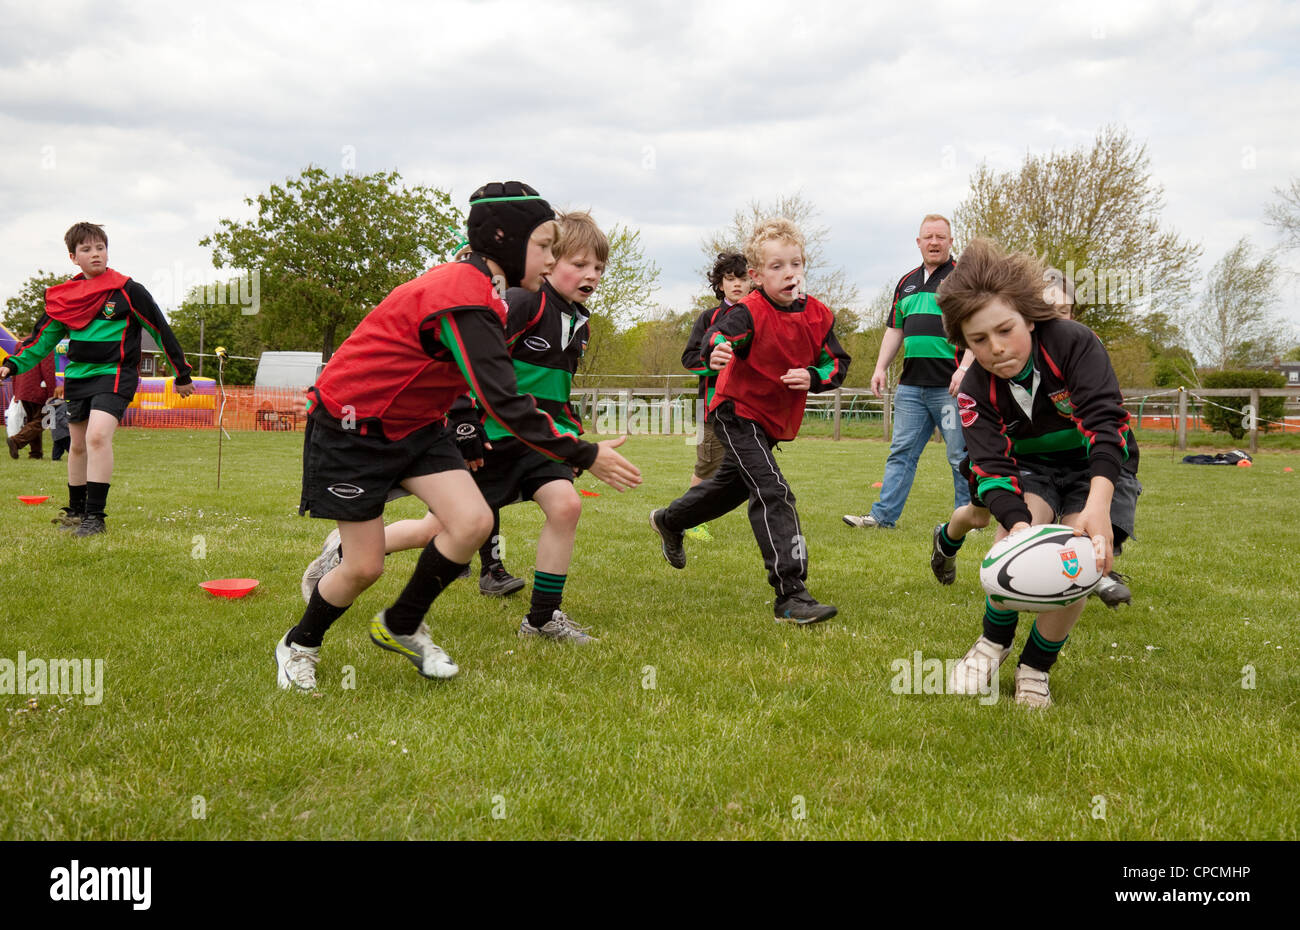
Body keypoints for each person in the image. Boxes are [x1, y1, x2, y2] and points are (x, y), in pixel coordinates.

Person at [279, 183, 641, 692]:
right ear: (506, 242)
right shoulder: (463, 294)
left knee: (472, 521)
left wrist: (471, 438)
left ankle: (401, 624)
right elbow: (505, 402)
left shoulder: (490, 295)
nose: (549, 259)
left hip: (420, 428)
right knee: (364, 568)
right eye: (543, 246)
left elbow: (472, 385)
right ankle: (299, 644)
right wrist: (584, 452)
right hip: (352, 428)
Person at [933, 240, 1140, 707]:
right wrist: (1021, 530)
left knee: (1075, 561)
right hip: (1033, 468)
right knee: (1010, 538)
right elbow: (992, 467)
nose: (996, 348)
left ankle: (1035, 669)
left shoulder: (1075, 342)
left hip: (1098, 467)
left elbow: (1106, 427)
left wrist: (1098, 506)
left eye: (1004, 329)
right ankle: (992, 642)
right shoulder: (973, 388)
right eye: (978, 340)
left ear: (1029, 317)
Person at [648, 218, 849, 623]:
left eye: (795, 264)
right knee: (773, 490)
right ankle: (791, 596)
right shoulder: (748, 311)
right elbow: (719, 337)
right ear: (757, 276)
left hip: (771, 421)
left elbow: (837, 364)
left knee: (729, 489)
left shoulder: (818, 316)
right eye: (777, 266)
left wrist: (812, 377)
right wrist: (717, 352)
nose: (789, 273)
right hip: (736, 411)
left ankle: (669, 521)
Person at [0, 223, 194, 535]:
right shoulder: (65, 298)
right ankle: (75, 512)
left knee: (97, 437)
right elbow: (42, 339)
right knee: (76, 445)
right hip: (79, 376)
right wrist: (12, 364)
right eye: (87, 250)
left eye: (100, 247)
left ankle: (95, 518)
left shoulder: (128, 290)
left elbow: (160, 328)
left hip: (116, 375)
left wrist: (181, 373)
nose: (95, 254)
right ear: (73, 257)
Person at [843, 215, 973, 529]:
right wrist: (879, 367)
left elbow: (977, 329)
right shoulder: (906, 282)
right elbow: (894, 330)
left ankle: (968, 518)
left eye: (940, 237)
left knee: (959, 456)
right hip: (912, 388)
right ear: (918, 242)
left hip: (950, 387)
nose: (934, 242)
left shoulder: (963, 279)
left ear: (950, 241)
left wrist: (966, 369)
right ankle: (882, 518)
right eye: (928, 237)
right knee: (901, 453)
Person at [678, 251, 749, 543]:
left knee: (749, 466)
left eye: (742, 278)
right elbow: (689, 357)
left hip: (748, 408)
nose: (736, 284)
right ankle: (688, 520)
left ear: (753, 281)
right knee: (707, 467)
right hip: (712, 408)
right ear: (720, 285)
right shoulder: (709, 318)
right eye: (730, 279)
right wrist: (712, 362)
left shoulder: (759, 318)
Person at [6, 347, 56, 459]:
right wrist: (52, 393)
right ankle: (16, 441)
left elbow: (15, 366)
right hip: (38, 389)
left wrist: (16, 391)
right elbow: (48, 370)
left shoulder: (21, 344)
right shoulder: (46, 344)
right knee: (44, 420)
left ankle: (35, 453)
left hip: (22, 389)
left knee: (32, 421)